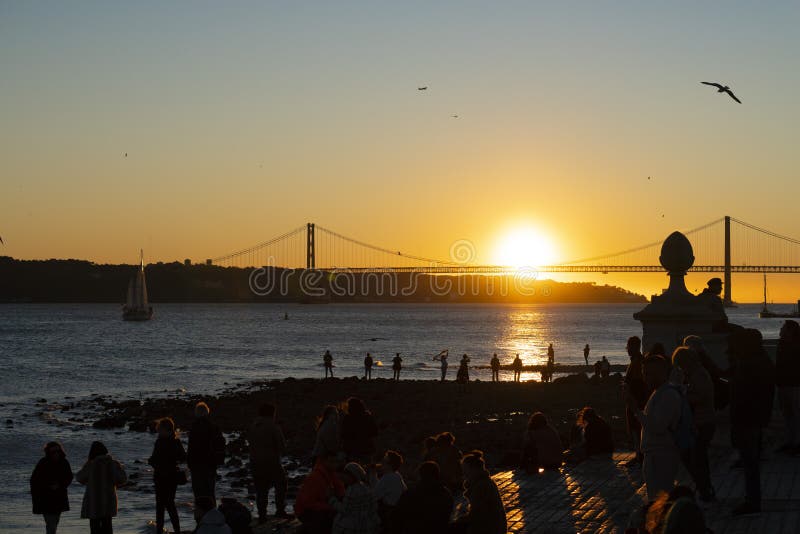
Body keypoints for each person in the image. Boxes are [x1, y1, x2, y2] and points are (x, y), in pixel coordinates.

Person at [729, 328, 776, 516]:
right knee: (751, 463)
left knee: (750, 464)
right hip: (754, 418)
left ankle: (752, 502)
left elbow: (745, 394)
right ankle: (752, 500)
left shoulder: (750, 364)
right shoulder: (761, 361)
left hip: (747, 419)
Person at [625, 355, 681, 502]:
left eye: (648, 373)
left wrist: (635, 409)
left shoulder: (667, 395)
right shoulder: (660, 393)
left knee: (660, 502)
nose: (645, 377)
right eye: (644, 373)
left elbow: (657, 427)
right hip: (655, 455)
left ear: (660, 373)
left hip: (661, 456)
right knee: (657, 500)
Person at [672, 346, 715, 501]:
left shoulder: (699, 375)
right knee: (694, 458)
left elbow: (701, 397)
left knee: (696, 460)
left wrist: (683, 395)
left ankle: (705, 491)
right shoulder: (692, 374)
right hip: (698, 422)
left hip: (702, 422)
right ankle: (705, 488)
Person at [248, 403, 291, 522]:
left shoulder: (253, 426)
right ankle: (280, 510)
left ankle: (262, 515)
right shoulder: (273, 426)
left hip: (255, 462)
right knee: (281, 484)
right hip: (271, 462)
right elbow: (282, 446)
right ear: (272, 413)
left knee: (261, 489)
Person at [75, 441, 127, 534]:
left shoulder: (91, 464)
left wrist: (89, 481)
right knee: (107, 526)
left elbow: (79, 477)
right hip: (108, 501)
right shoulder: (113, 464)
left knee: (94, 527)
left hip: (93, 501)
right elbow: (122, 479)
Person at [148, 417, 187, 534]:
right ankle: (176, 530)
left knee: (162, 506)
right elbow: (183, 457)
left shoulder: (160, 442)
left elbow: (154, 459)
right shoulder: (175, 442)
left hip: (162, 477)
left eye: (160, 429)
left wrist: (152, 461)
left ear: (166, 429)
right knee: (169, 504)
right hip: (170, 477)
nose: (158, 431)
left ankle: (161, 531)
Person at [394, 461, 454, 534]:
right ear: (437, 475)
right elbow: (449, 516)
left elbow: (397, 516)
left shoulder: (410, 494)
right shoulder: (446, 494)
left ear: (420, 475)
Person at [454, 451, 506, 534]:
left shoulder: (481, 486)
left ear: (473, 469)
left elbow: (477, 514)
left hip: (490, 528)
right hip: (493, 525)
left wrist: (457, 522)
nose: (464, 473)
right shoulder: (483, 482)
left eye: (465, 469)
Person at [295, 453, 345, 533]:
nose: (335, 464)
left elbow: (340, 491)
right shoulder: (315, 477)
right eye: (332, 462)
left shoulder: (332, 473)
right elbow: (308, 503)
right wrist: (330, 507)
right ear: (324, 461)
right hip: (305, 511)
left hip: (322, 505)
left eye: (336, 462)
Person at [30, 441, 73, 534]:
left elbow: (69, 477)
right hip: (45, 497)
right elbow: (34, 480)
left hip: (59, 496)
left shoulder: (64, 462)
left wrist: (60, 485)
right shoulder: (43, 462)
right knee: (50, 523)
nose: (56, 453)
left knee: (55, 522)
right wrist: (45, 487)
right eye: (53, 452)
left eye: (58, 451)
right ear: (48, 452)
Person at [188, 401, 225, 501]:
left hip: (197, 464)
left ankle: (200, 514)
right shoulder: (213, 426)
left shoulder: (194, 427)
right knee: (210, 491)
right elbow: (220, 443)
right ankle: (212, 513)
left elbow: (191, 447)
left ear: (196, 413)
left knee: (198, 492)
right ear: (207, 412)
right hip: (210, 463)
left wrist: (189, 463)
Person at [329, 462, 380, 534]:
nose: (343, 479)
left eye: (345, 476)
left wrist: (332, 499)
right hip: (368, 524)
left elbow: (345, 510)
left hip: (354, 526)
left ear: (352, 476)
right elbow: (374, 506)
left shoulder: (351, 490)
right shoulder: (366, 487)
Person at [775, 320, 800, 454]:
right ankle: (791, 441)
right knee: (787, 415)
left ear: (790, 331)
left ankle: (796, 443)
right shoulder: (782, 345)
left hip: (795, 385)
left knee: (795, 414)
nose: (781, 329)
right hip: (783, 384)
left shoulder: (795, 346)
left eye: (783, 327)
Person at [624, 336, 648, 463]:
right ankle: (639, 454)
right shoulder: (637, 361)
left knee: (636, 429)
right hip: (635, 401)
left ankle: (639, 455)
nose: (627, 349)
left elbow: (637, 384)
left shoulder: (637, 362)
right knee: (635, 429)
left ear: (634, 347)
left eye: (628, 347)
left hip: (636, 402)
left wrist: (633, 400)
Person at [370, 450, 407, 525]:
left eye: (384, 462)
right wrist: (373, 474)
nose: (381, 464)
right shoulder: (396, 475)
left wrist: (372, 474)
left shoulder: (388, 478)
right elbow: (379, 488)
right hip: (396, 512)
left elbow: (374, 495)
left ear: (390, 465)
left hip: (388, 513)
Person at [341, 397, 378, 464]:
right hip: (366, 449)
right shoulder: (367, 417)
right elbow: (375, 432)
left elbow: (343, 434)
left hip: (352, 450)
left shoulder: (348, 418)